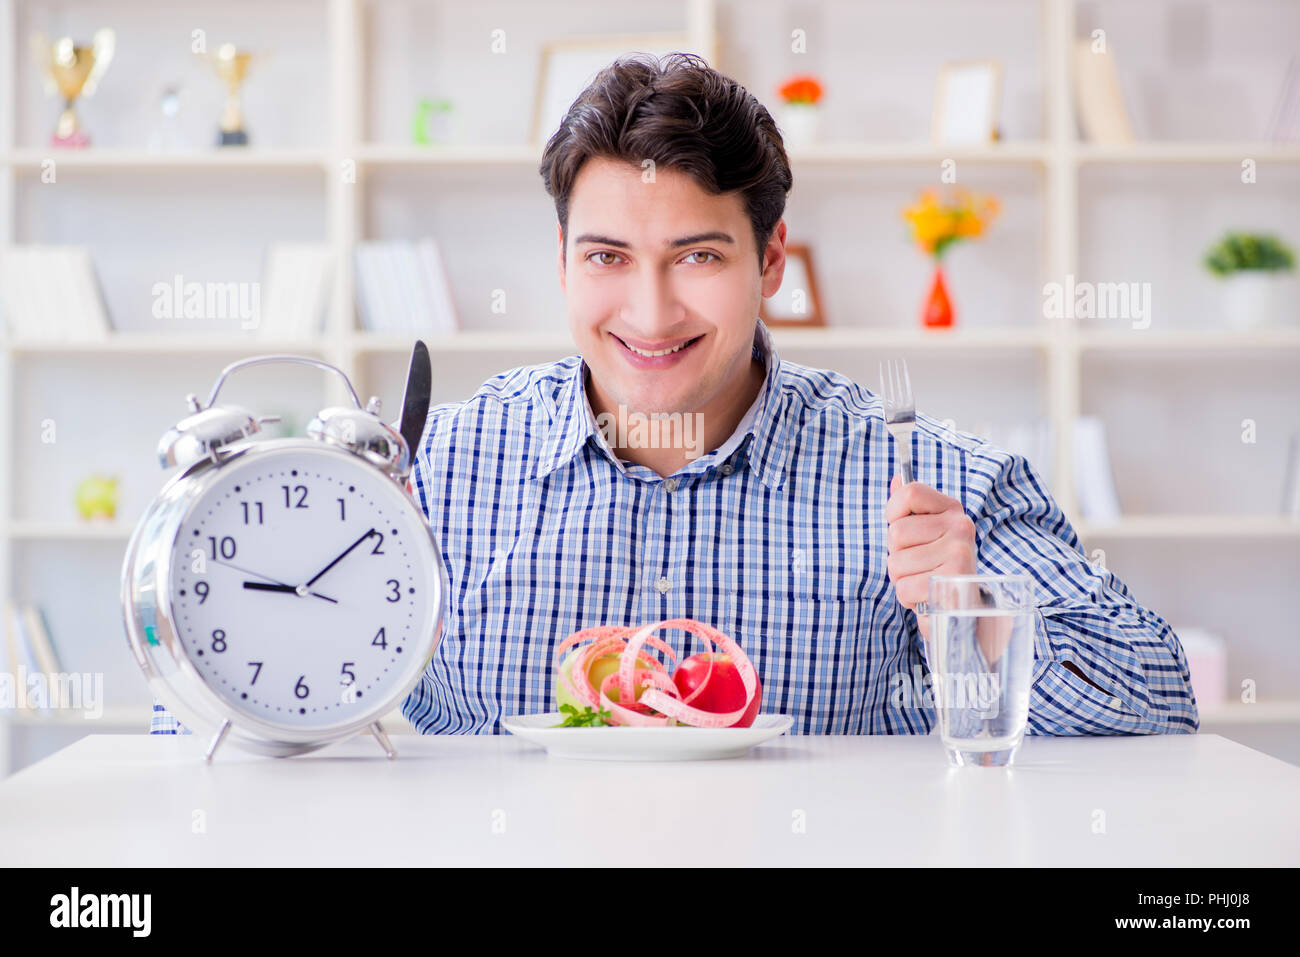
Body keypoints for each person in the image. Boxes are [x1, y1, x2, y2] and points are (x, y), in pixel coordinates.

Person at [153, 52, 1197, 738]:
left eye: (697, 255)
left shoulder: (927, 477)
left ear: (770, 258)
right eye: (608, 255)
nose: (648, 313)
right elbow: (208, 717)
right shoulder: (427, 471)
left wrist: (979, 613)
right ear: (561, 259)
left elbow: (1155, 701)